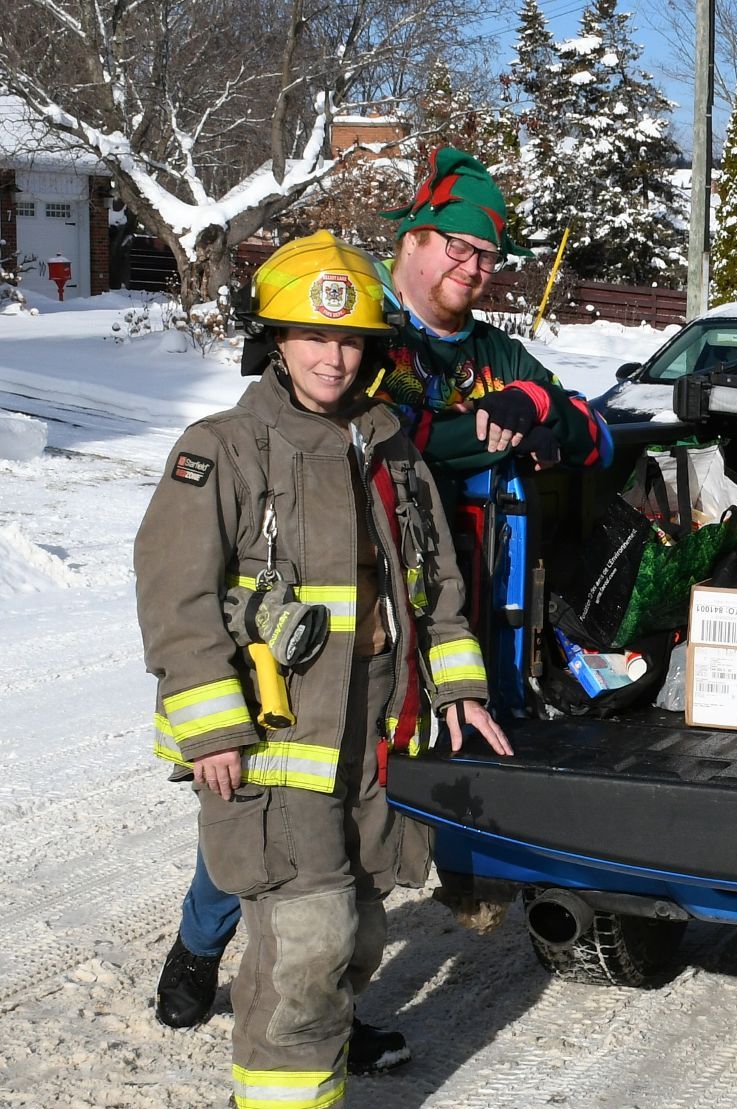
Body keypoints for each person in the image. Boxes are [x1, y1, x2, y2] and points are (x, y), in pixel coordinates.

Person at [152, 147, 612, 1030]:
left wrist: (542, 410)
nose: (472, 269)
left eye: (488, 256)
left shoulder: (493, 350)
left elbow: (598, 437)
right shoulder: (355, 317)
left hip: (450, 609)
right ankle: (200, 946)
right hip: (327, 619)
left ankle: (332, 1000)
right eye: (457, 247)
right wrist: (496, 434)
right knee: (276, 807)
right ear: (415, 236)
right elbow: (403, 438)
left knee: (369, 816)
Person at [135, 231, 512, 1109]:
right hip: (271, 750)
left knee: (354, 937)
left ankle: (325, 1047)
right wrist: (213, 728)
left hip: (373, 752)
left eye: (349, 342)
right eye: (311, 337)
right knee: (304, 940)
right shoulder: (220, 450)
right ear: (276, 341)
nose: (332, 358)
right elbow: (177, 598)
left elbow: (436, 595)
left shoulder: (391, 451)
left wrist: (462, 689)